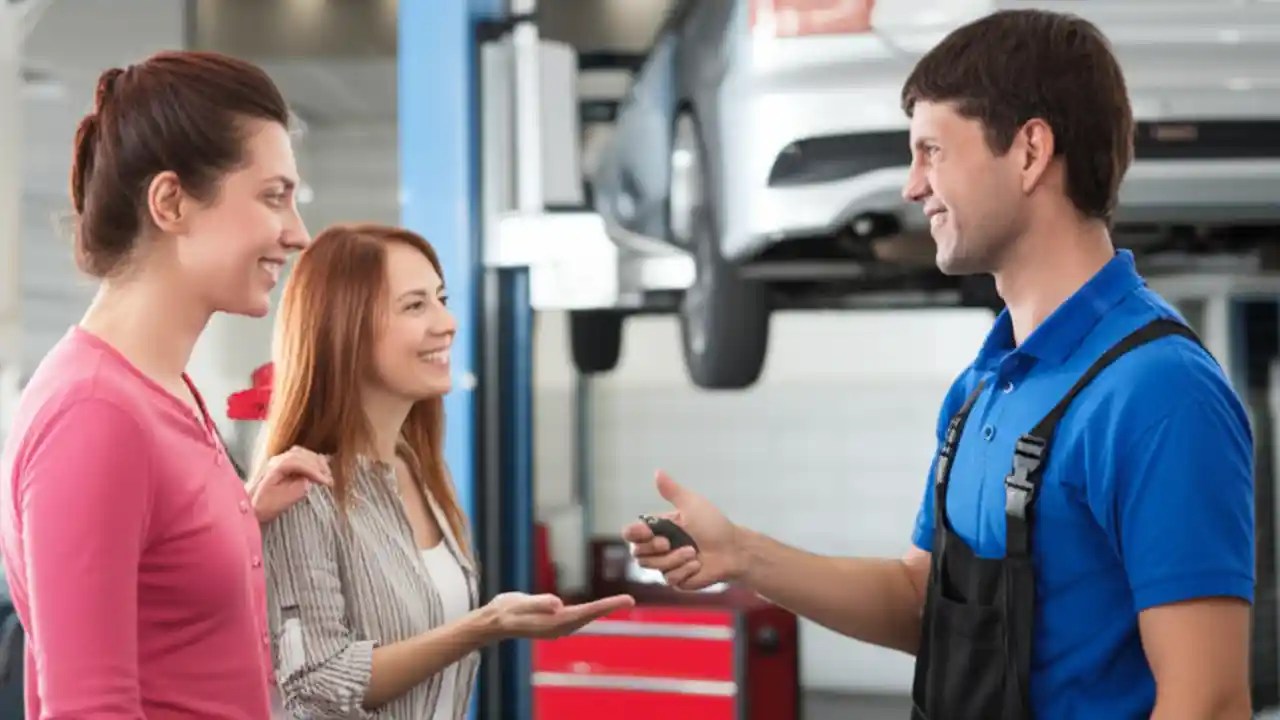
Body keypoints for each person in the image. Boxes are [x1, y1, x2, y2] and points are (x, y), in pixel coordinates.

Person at [624, 10, 1255, 720]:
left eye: (932, 151)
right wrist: (742, 554)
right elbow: (921, 600)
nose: (911, 186)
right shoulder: (983, 389)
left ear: (1030, 152)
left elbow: (1209, 701)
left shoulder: (1158, 394)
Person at [0, 51, 333, 719]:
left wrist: (238, 513)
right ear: (172, 202)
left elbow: (157, 584)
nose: (296, 234)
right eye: (274, 196)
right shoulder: (96, 414)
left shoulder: (159, 390)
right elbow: (90, 711)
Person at [258, 223, 634, 719]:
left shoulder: (417, 469)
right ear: (345, 329)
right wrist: (485, 624)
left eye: (441, 298)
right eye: (416, 306)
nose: (448, 322)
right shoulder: (301, 490)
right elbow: (320, 682)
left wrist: (492, 622)